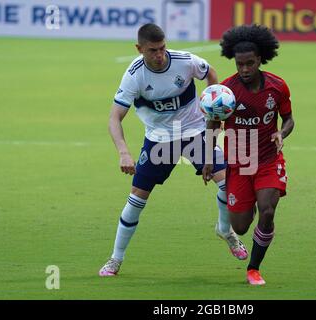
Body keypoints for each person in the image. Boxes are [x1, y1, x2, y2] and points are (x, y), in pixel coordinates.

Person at [99, 23, 248, 276]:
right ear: (139, 49)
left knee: (227, 183)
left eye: (163, 48)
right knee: (137, 199)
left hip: (195, 132)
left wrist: (211, 104)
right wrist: (123, 152)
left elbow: (210, 73)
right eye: (153, 50)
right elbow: (114, 118)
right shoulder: (134, 75)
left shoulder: (184, 61)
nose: (160, 55)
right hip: (158, 140)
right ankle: (115, 258)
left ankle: (225, 230)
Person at [203, 24, 295, 285]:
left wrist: (282, 134)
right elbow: (212, 124)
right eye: (239, 64)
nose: (244, 69)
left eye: (249, 64)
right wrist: (209, 159)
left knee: (267, 212)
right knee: (241, 226)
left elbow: (289, 119)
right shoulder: (226, 92)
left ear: (260, 59)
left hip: (268, 161)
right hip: (239, 166)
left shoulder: (277, 87)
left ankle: (253, 269)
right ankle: (244, 202)